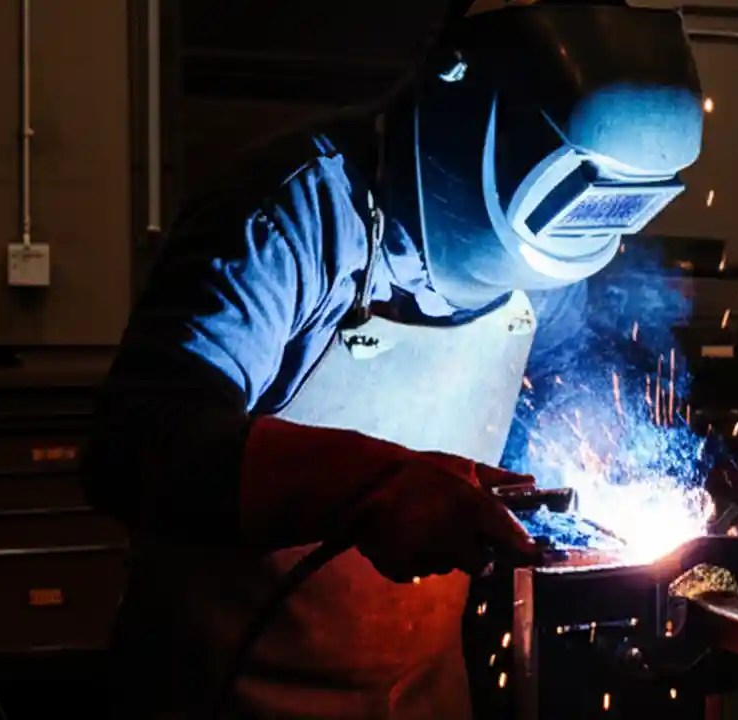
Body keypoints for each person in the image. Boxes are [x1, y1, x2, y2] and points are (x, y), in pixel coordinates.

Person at [83, 1, 703, 717]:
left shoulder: (558, 241)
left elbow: (566, 379)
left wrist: (652, 463)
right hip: (223, 695)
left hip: (422, 701)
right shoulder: (296, 217)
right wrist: (373, 486)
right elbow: (133, 444)